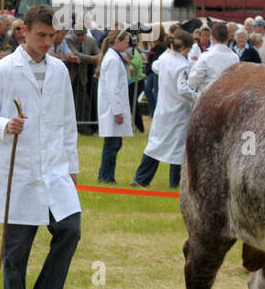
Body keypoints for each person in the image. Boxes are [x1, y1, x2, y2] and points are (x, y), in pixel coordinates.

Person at [0, 4, 81, 289]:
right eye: (41, 35)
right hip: (19, 168)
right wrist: (6, 125)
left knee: (70, 230)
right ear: (25, 31)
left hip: (55, 168)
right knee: (17, 247)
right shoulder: (3, 71)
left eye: (52, 36)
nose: (47, 43)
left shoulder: (59, 70)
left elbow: (67, 121)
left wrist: (71, 165)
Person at [132, 29, 195, 188]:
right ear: (186, 48)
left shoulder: (165, 57)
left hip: (162, 108)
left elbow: (155, 67)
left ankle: (141, 179)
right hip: (178, 111)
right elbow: (183, 89)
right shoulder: (183, 65)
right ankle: (176, 182)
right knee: (178, 148)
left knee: (155, 144)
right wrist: (198, 96)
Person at [96, 29, 133, 183]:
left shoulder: (114, 58)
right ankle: (106, 176)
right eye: (125, 41)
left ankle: (105, 175)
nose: (127, 45)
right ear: (117, 42)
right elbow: (112, 88)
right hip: (112, 109)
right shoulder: (112, 60)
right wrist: (118, 112)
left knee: (114, 144)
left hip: (113, 107)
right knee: (112, 145)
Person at [63, 25, 100, 134]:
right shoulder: (68, 40)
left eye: (82, 35)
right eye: (78, 35)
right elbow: (76, 54)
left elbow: (98, 52)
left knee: (84, 103)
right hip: (70, 75)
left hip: (83, 76)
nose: (80, 38)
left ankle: (85, 128)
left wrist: (97, 56)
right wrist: (92, 59)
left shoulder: (91, 41)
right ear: (74, 33)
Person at [188, 21, 240, 97]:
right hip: (227, 100)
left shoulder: (205, 56)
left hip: (207, 99)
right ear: (228, 37)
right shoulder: (235, 57)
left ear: (212, 37)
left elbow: (192, 82)